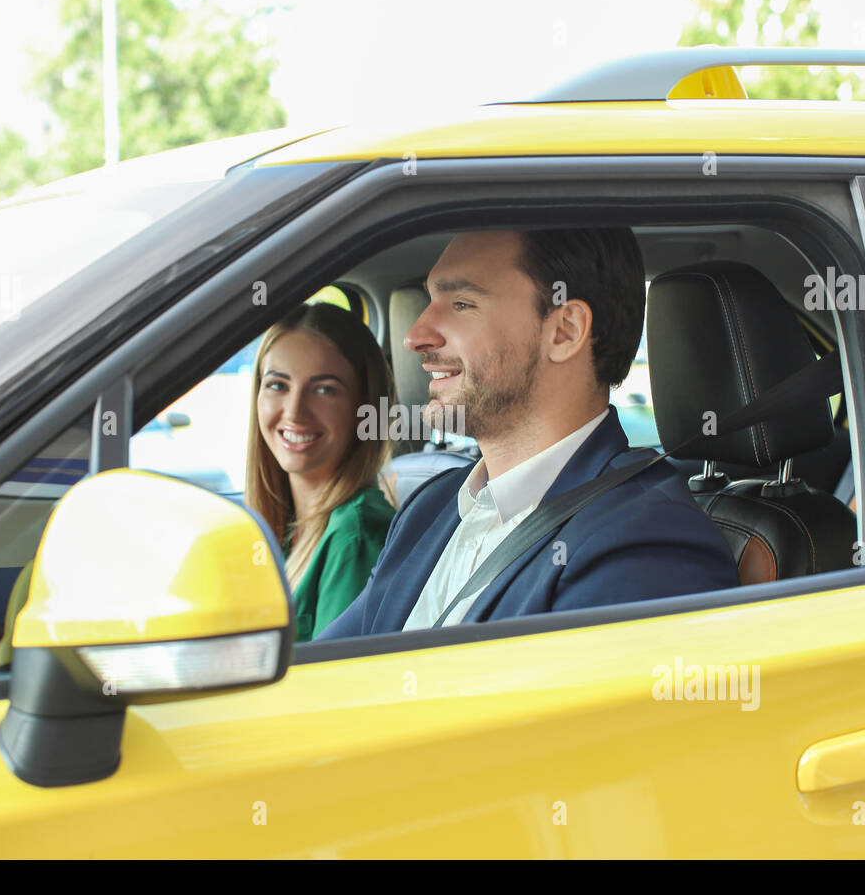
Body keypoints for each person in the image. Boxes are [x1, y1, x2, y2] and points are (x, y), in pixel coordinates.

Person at [316, 228, 739, 640]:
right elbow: (324, 677)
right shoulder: (430, 507)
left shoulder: (648, 546)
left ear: (565, 331)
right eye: (432, 301)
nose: (415, 336)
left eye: (462, 303)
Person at [247, 302, 396, 642]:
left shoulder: (355, 537)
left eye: (325, 389)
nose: (295, 411)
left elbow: (334, 689)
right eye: (277, 385)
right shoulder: (284, 527)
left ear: (365, 409)